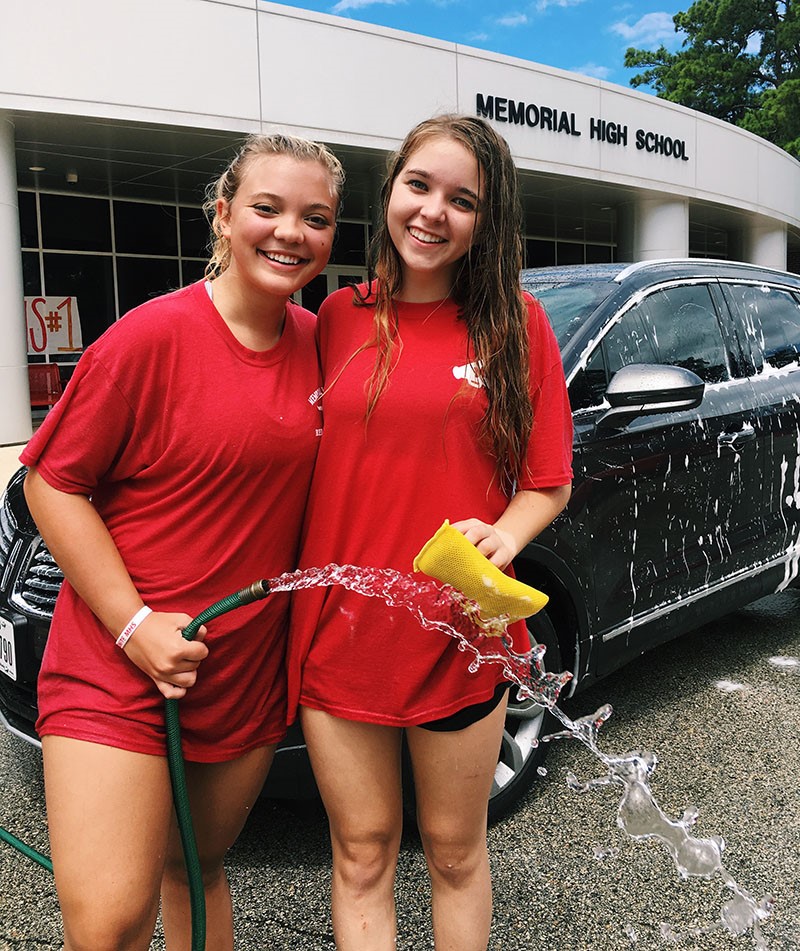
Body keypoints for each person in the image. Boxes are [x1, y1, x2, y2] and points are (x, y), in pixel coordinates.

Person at [21, 132, 344, 950]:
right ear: (223, 214)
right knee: (109, 925)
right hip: (118, 659)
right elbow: (49, 482)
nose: (290, 232)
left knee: (194, 870)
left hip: (241, 674)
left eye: (316, 218)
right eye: (267, 208)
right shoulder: (150, 337)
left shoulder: (323, 345)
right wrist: (135, 625)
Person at [287, 114, 573, 950]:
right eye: (419, 185)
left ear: (488, 218)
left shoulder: (515, 323)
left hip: (461, 631)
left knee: (453, 851)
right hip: (340, 632)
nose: (433, 212)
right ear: (391, 191)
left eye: (463, 200)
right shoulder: (336, 316)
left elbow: (547, 479)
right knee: (361, 850)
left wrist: (507, 534)